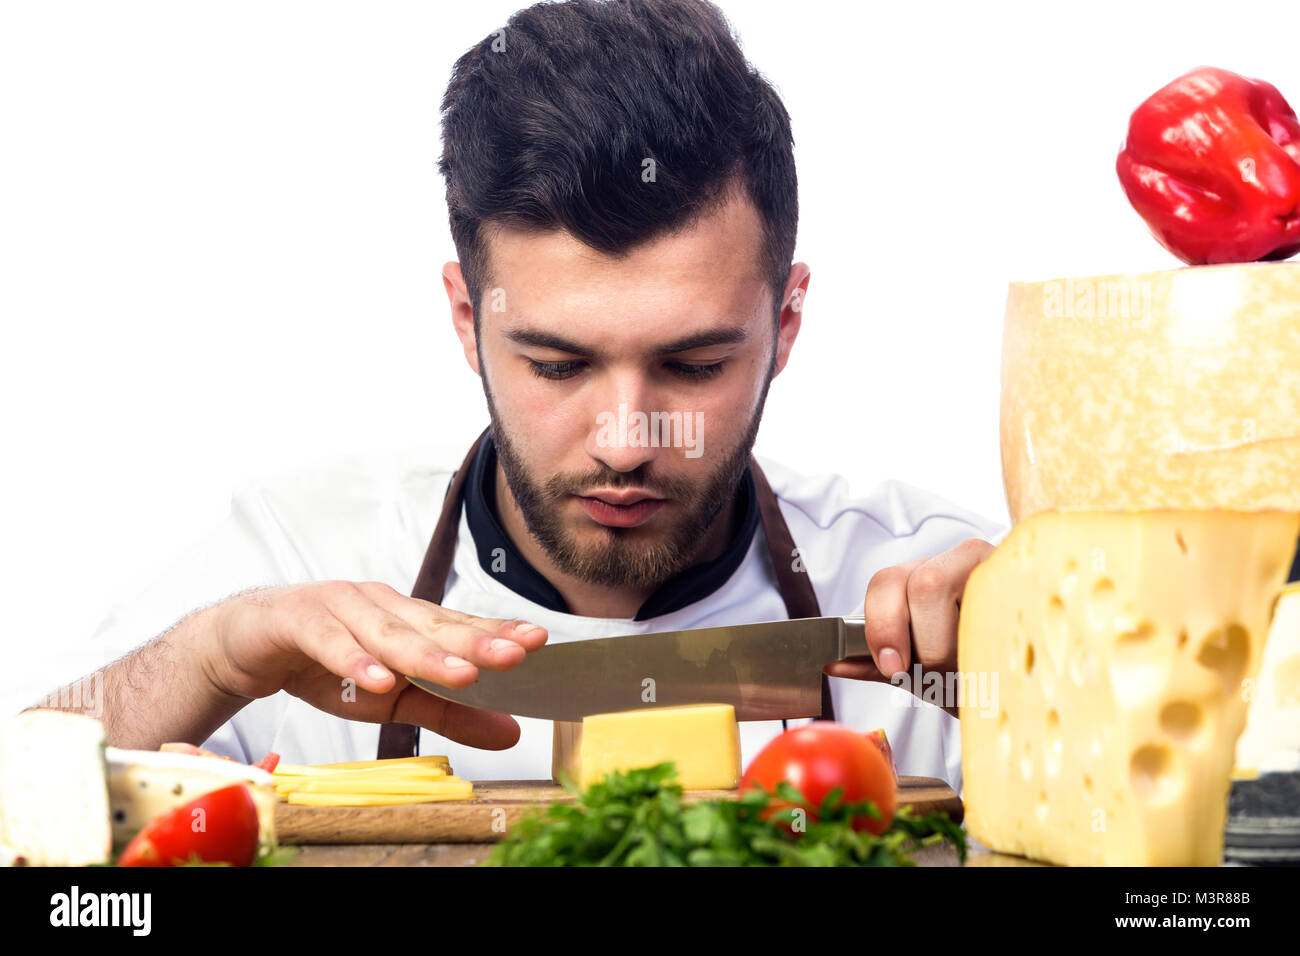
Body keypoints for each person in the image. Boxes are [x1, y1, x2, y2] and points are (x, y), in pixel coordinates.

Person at [35, 0, 1004, 789]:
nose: (625, 438)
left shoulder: (940, 608)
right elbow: (17, 790)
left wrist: (1048, 680)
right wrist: (208, 661)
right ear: (467, 317)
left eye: (695, 363)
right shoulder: (297, 560)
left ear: (785, 322)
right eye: (556, 363)